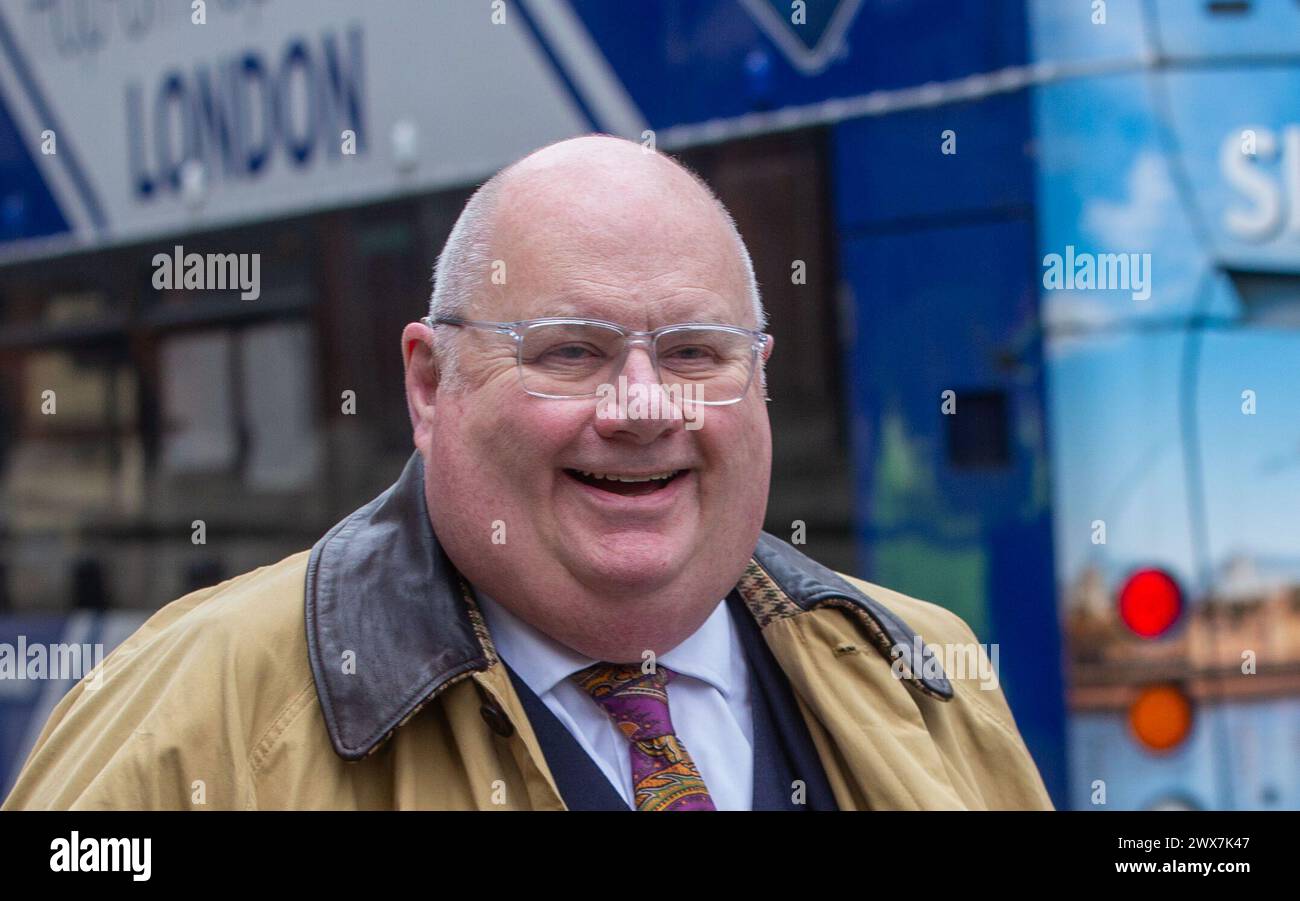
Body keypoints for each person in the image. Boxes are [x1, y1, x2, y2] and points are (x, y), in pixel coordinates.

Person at [2, 135, 1052, 811]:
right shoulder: (192, 711)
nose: (643, 408)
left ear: (759, 379)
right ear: (428, 384)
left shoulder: (925, 668)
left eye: (694, 352)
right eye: (569, 352)